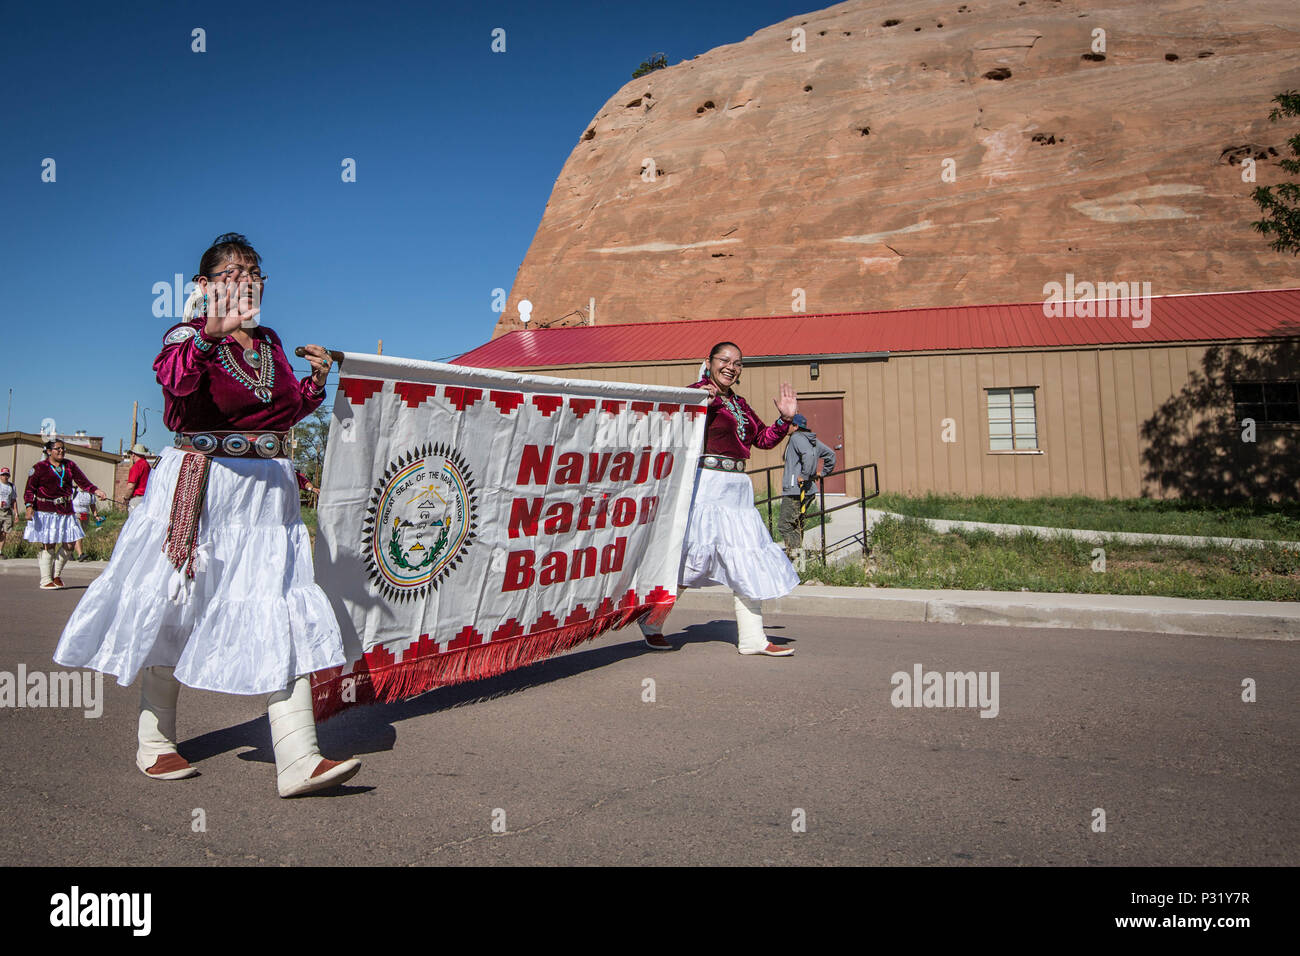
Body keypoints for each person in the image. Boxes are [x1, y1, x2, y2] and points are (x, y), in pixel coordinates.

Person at [54, 232, 360, 797]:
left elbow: (283, 410)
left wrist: (316, 380)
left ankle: (299, 755)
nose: (246, 279)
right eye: (232, 271)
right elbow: (174, 386)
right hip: (204, 486)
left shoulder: (268, 343)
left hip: (267, 493)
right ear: (204, 285)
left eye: (253, 270)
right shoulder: (185, 337)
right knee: (178, 603)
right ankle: (155, 739)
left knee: (280, 606)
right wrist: (208, 334)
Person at [640, 341, 801, 657]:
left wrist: (784, 420)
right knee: (689, 559)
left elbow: (762, 439)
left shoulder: (740, 404)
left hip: (738, 489)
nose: (731, 366)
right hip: (708, 485)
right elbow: (673, 424)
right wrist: (702, 402)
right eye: (724, 360)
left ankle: (753, 638)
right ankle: (652, 621)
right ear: (709, 362)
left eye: (738, 362)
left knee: (745, 558)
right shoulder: (697, 395)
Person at [23, 440, 106, 588]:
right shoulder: (39, 468)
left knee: (70, 543)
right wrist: (29, 506)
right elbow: (30, 489)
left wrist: (96, 490)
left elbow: (83, 481)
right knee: (49, 543)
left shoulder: (70, 465)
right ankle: (46, 579)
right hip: (46, 509)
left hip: (66, 509)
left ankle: (56, 575)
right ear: (49, 451)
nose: (61, 451)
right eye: (57, 449)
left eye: (63, 448)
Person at [778, 414, 836, 557]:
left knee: (784, 524)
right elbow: (831, 455)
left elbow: (809, 456)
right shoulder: (811, 440)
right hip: (805, 489)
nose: (785, 427)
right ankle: (798, 562)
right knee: (796, 524)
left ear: (796, 426)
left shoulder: (796, 438)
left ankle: (795, 557)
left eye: (788, 424)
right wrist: (822, 473)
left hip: (796, 490)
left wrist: (804, 476)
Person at [70, 485, 96, 561]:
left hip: (85, 515)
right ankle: (80, 554)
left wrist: (95, 515)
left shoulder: (90, 493)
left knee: (80, 534)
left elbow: (92, 505)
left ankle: (69, 552)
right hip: (75, 514)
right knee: (79, 534)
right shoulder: (74, 491)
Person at [125, 444, 151, 514]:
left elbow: (131, 486)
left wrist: (126, 498)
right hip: (147, 498)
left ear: (133, 454)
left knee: (133, 523)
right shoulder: (147, 465)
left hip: (137, 499)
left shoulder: (136, 466)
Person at [0, 466, 19, 559]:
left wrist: (16, 514)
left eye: (7, 475)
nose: (5, 477)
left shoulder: (11, 486)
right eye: (3, 475)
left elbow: (14, 500)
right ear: (0, 476)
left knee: (4, 532)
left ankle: (0, 552)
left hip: (7, 511)